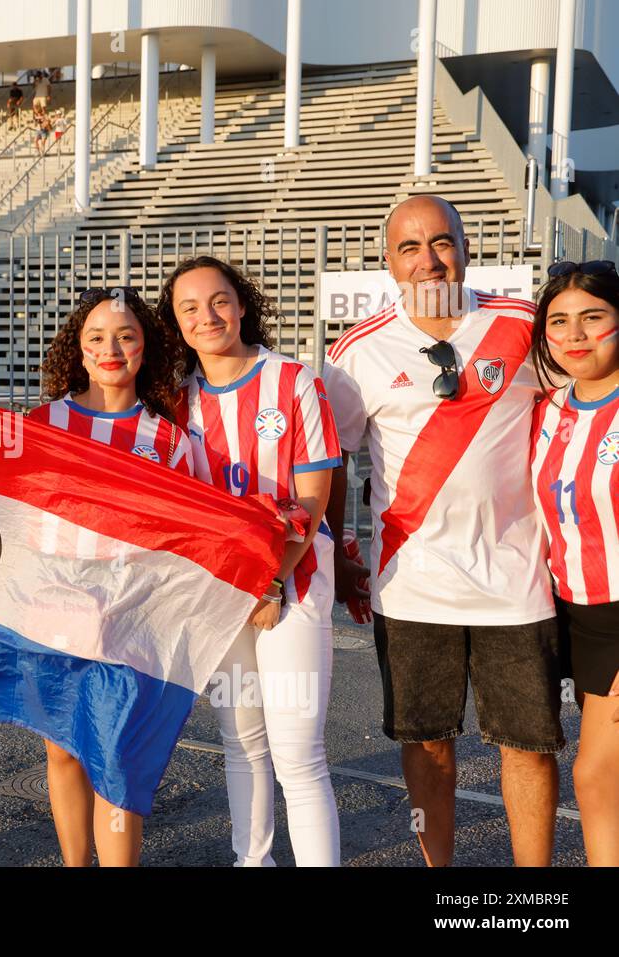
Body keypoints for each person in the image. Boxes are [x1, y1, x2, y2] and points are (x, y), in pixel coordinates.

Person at [322, 194, 562, 867]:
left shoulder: (522, 325)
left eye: (441, 242)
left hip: (517, 579)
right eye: (409, 247)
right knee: (425, 745)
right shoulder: (356, 351)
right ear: (388, 263)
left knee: (528, 746)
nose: (428, 260)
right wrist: (342, 551)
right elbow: (333, 454)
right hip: (411, 585)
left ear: (465, 245)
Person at [163, 256, 342, 866]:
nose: (206, 316)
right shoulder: (178, 402)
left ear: (241, 304)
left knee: (297, 751)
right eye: (189, 308)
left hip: (289, 583)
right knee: (241, 744)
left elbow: (313, 498)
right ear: (177, 325)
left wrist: (270, 577)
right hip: (221, 592)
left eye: (218, 300)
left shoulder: (293, 380)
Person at [28, 286, 192, 866]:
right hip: (55, 611)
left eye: (125, 336)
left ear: (146, 347)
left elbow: (185, 534)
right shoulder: (42, 422)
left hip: (133, 617)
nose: (111, 348)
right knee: (65, 752)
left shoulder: (168, 437)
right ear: (77, 346)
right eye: (96, 336)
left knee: (117, 758)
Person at [527, 259, 619, 867]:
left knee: (594, 774)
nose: (576, 335)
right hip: (575, 612)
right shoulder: (545, 409)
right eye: (559, 322)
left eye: (594, 317)